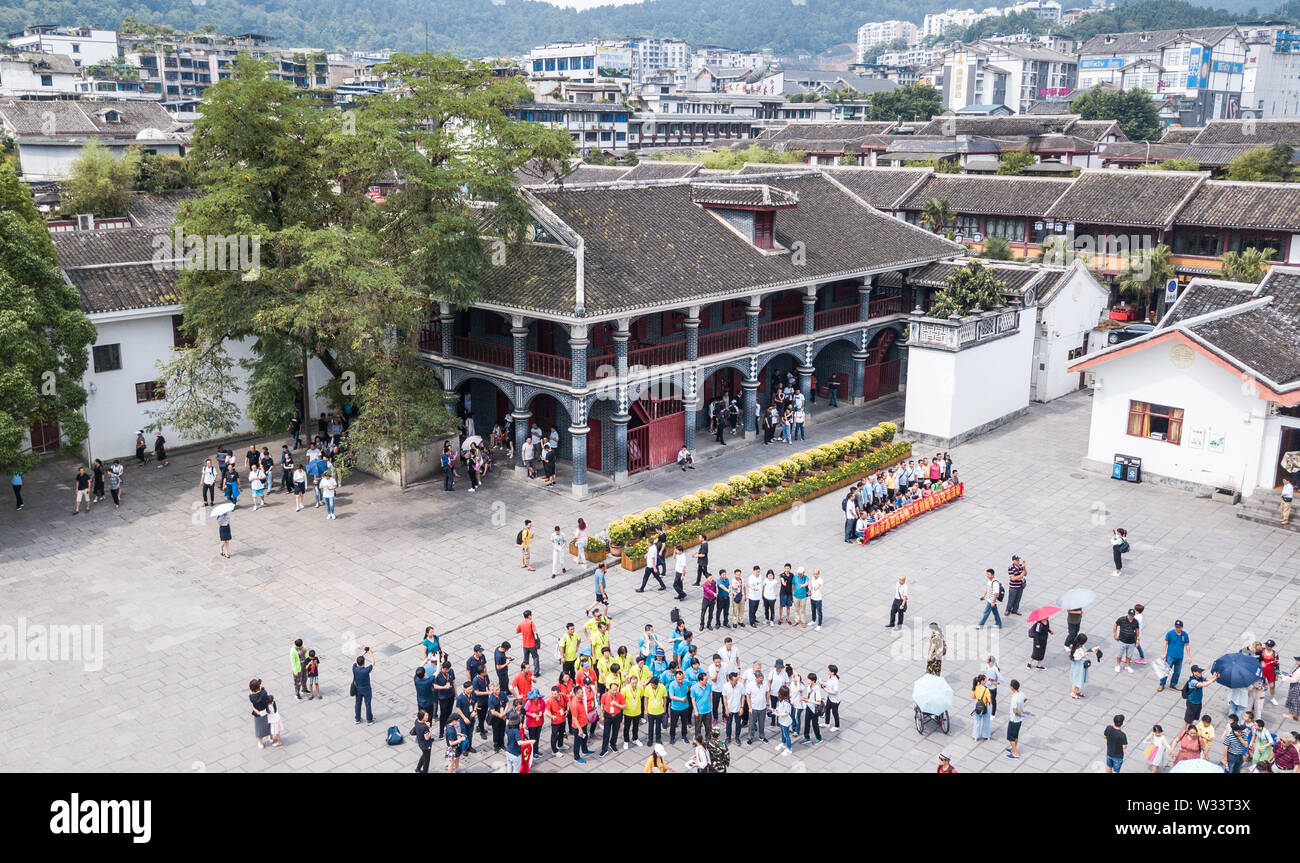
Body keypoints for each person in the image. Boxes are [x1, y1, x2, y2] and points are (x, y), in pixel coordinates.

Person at [1157, 620, 1190, 692]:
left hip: (1179, 657)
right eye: (1176, 627)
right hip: (1170, 656)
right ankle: (1161, 684)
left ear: (1182, 627)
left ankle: (1173, 684)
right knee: (1166, 670)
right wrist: (1164, 653)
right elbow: (1165, 643)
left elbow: (1187, 645)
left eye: (1179, 627)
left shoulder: (1184, 635)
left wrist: (1188, 656)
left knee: (1177, 672)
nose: (1178, 629)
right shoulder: (1170, 633)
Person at [1068, 634, 1101, 699]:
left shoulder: (1080, 646)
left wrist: (1092, 649)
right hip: (1078, 666)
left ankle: (1077, 691)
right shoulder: (1076, 648)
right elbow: (1076, 658)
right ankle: (1073, 693)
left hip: (1081, 666)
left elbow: (1085, 651)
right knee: (1076, 679)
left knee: (1080, 678)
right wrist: (1083, 655)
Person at [248, 679, 278, 749]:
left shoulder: (251, 697)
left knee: (259, 728)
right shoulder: (264, 692)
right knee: (269, 724)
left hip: (257, 714)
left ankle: (261, 743)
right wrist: (262, 688)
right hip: (266, 712)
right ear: (259, 686)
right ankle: (270, 738)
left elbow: (255, 698)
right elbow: (265, 696)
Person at [352, 647, 376, 725]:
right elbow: (373, 663)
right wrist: (370, 653)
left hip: (357, 689)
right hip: (366, 689)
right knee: (367, 704)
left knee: (358, 703)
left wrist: (363, 653)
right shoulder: (366, 670)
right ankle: (369, 719)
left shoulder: (354, 668)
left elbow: (355, 661)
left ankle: (357, 719)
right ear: (364, 662)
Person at [1113, 608, 1140, 674]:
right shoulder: (1122, 619)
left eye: (1132, 616)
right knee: (1119, 654)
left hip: (1131, 642)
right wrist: (1115, 635)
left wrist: (1137, 639)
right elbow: (1115, 625)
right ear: (1127, 614)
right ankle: (1118, 665)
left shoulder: (1136, 621)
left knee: (1129, 655)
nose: (1131, 617)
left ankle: (1127, 666)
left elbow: (1137, 630)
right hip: (1122, 640)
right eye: (1130, 615)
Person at [1005, 679, 1025, 759]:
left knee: (1010, 737)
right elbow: (1025, 699)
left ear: (1012, 687)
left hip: (1014, 719)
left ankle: (1015, 753)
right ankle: (1013, 749)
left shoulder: (1014, 697)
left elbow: (1015, 711)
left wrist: (1020, 714)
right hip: (1019, 721)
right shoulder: (1021, 694)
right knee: (1015, 735)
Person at [774, 684, 795, 756]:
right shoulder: (781, 700)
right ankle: (783, 743)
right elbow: (779, 707)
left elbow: (787, 713)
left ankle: (789, 748)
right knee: (782, 733)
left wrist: (778, 714)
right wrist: (776, 710)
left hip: (786, 721)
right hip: (782, 720)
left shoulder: (787, 703)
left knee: (786, 735)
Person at [970, 674, 992, 741]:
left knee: (977, 722)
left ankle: (975, 736)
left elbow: (973, 697)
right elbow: (989, 700)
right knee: (986, 722)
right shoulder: (986, 690)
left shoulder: (975, 688)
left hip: (978, 707)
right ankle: (986, 735)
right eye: (985, 680)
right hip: (985, 707)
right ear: (982, 681)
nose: (986, 681)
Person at [1283, 656, 1300, 721]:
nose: (1296, 661)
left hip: (1296, 687)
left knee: (1293, 700)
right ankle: (1298, 716)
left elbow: (1294, 680)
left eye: (1298, 660)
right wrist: (1290, 675)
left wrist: (1283, 677)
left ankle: (1291, 715)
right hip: (1297, 685)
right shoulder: (1298, 668)